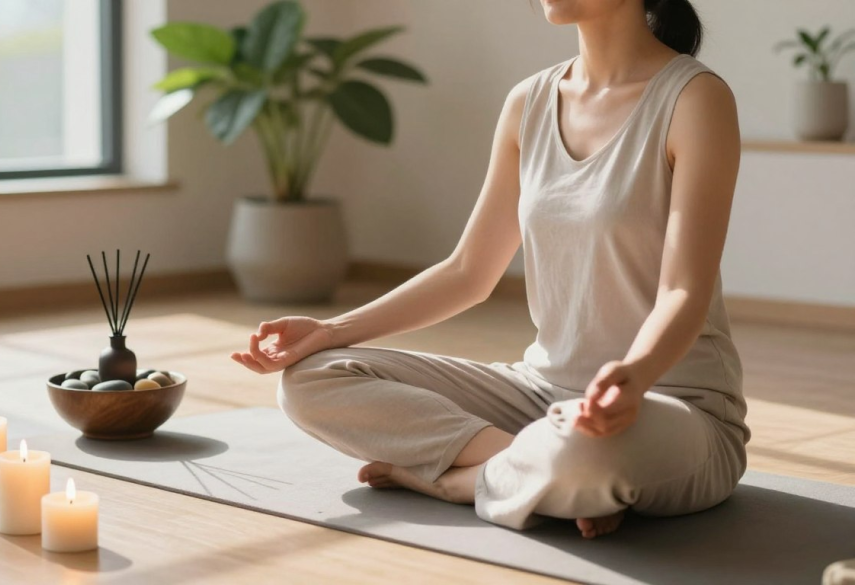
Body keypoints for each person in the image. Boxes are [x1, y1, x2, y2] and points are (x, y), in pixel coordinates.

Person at [230, 0, 751, 540]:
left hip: (667, 405)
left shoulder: (695, 99)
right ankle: (540, 474)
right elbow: (467, 271)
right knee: (310, 378)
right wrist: (330, 331)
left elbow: (683, 289)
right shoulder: (528, 102)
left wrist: (635, 374)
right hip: (539, 396)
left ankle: (462, 481)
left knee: (581, 446)